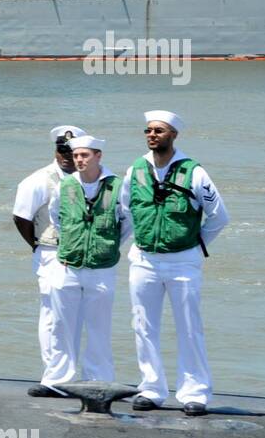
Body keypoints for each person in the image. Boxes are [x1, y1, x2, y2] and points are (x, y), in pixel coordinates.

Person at [120, 111, 230, 416]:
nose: (152, 134)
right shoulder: (136, 170)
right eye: (148, 130)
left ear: (174, 135)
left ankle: (194, 393)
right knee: (143, 326)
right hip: (143, 259)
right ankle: (151, 388)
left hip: (183, 261)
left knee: (190, 327)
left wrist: (194, 243)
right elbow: (127, 210)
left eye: (159, 130)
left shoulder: (194, 172)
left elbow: (219, 217)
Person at [37, 135, 130, 391]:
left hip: (102, 267)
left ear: (98, 156)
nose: (79, 160)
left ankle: (98, 379)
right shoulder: (65, 186)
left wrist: (105, 246)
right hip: (68, 263)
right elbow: (57, 218)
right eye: (76, 155)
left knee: (99, 326)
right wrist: (74, 241)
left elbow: (126, 222)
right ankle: (57, 380)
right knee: (61, 325)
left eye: (84, 155)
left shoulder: (117, 186)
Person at [13, 124, 84, 397]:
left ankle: (73, 375)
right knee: (53, 317)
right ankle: (53, 378)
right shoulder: (39, 180)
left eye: (72, 150)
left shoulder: (89, 177)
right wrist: (37, 246)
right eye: (61, 149)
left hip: (82, 256)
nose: (66, 155)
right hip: (51, 252)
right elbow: (21, 217)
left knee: (77, 318)